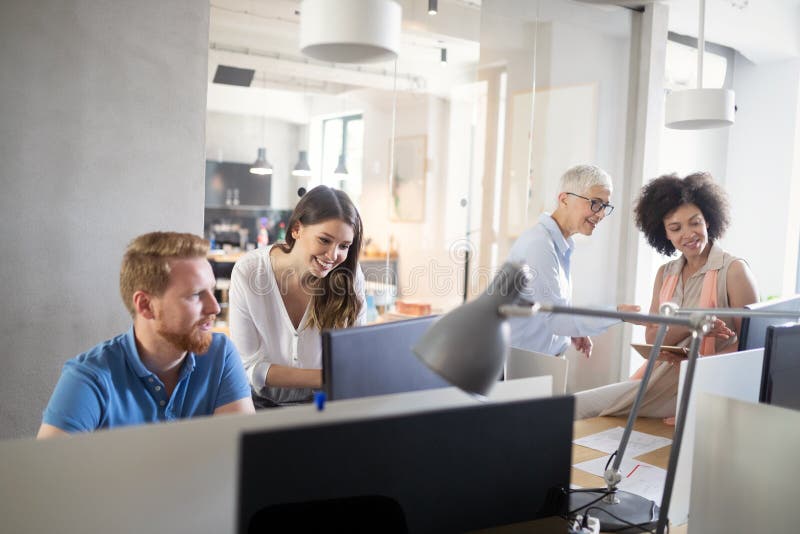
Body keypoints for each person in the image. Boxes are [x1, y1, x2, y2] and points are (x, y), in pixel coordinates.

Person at [37, 232, 255, 438]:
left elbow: (240, 457)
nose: (215, 307)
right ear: (145, 305)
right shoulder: (91, 377)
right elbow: (47, 473)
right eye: (196, 295)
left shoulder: (220, 354)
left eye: (212, 290)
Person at [578, 172, 758, 420]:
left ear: (708, 220)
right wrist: (693, 323)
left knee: (596, 414)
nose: (688, 234)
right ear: (665, 234)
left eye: (695, 222)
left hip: (707, 387)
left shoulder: (735, 271)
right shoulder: (666, 273)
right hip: (660, 380)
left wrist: (700, 365)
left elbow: (753, 346)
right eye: (676, 228)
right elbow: (653, 337)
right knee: (579, 406)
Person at [229, 185, 366, 407]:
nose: (333, 255)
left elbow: (354, 353)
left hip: (325, 400)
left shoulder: (349, 276)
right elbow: (247, 367)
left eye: (344, 246)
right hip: (261, 403)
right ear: (296, 229)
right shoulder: (250, 271)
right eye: (324, 240)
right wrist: (324, 377)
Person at [508, 164, 640, 358]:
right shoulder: (539, 245)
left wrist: (570, 331)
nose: (601, 214)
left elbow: (551, 311)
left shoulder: (559, 245)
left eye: (605, 206)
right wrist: (618, 312)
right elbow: (555, 319)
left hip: (536, 363)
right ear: (564, 199)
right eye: (595, 203)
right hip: (517, 367)